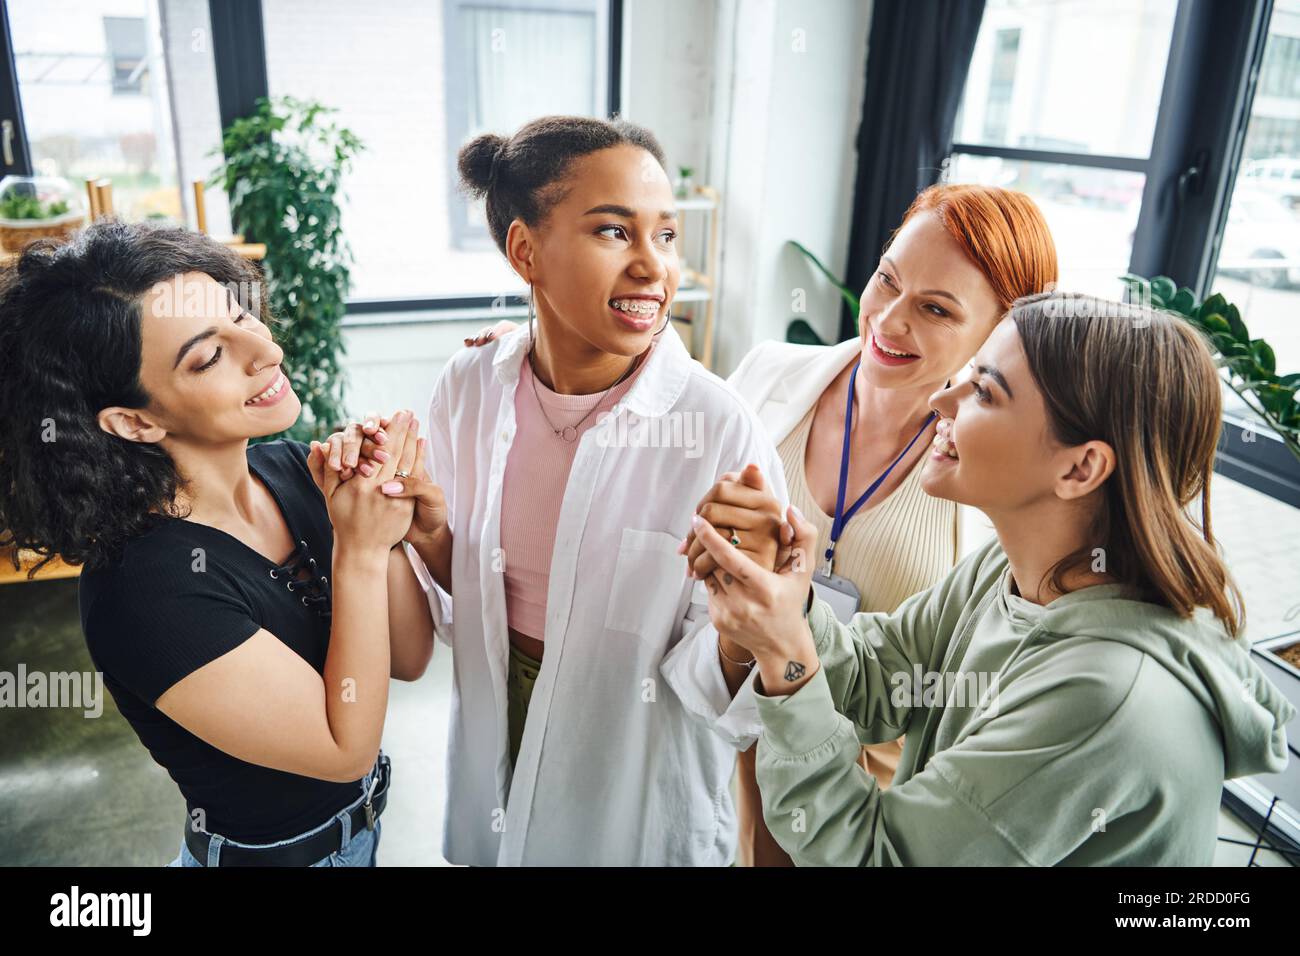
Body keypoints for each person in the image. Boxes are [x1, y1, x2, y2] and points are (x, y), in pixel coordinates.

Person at [471, 183, 1059, 865]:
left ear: (1001, 333)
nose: (889, 321)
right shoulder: (771, 373)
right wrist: (539, 356)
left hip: (855, 787)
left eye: (934, 309)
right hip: (728, 749)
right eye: (887, 281)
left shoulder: (998, 475)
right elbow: (653, 422)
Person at [685, 293, 1295, 865]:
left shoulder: (1105, 700)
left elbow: (876, 856)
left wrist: (786, 657)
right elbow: (884, 680)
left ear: (1082, 467)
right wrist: (788, 594)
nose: (940, 402)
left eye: (986, 393)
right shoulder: (1013, 571)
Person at [336, 115, 789, 865]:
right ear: (526, 251)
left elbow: (724, 682)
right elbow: (471, 608)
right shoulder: (472, 387)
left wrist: (751, 614)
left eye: (666, 235)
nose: (654, 266)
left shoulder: (715, 429)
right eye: (615, 232)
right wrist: (429, 533)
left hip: (635, 764)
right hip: (499, 715)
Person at [0, 220, 434, 866]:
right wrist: (361, 554)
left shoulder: (291, 469)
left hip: (364, 835)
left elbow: (409, 654)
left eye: (242, 318)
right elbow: (344, 752)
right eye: (209, 356)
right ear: (136, 420)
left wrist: (383, 507)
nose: (266, 353)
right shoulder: (144, 589)